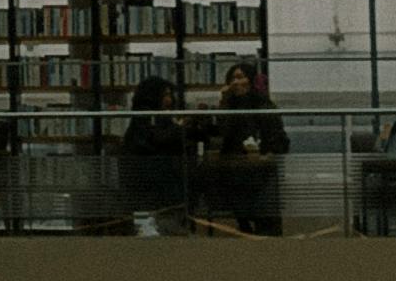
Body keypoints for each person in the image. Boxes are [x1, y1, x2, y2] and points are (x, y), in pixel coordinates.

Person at [206, 61, 288, 234]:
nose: (236, 83)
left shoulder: (263, 105)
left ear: (250, 80)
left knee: (266, 217)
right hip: (235, 169)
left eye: (240, 77)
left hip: (261, 170)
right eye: (232, 79)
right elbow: (222, 134)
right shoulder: (228, 106)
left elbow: (279, 139)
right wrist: (224, 102)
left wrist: (267, 155)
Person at [116, 75, 198, 231]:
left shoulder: (148, 120)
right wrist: (179, 128)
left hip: (158, 192)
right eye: (166, 95)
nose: (170, 100)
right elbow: (158, 142)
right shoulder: (148, 120)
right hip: (152, 191)